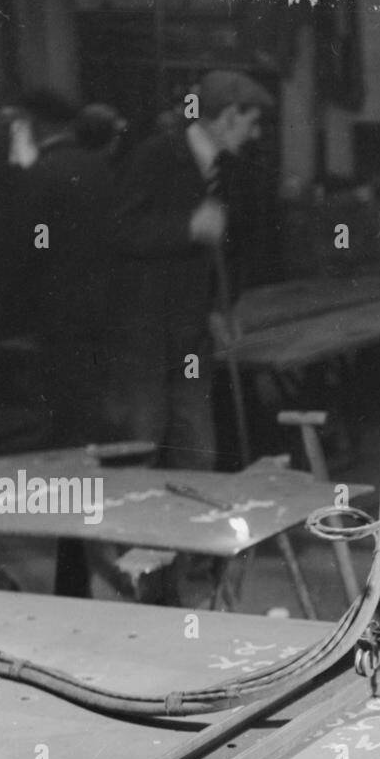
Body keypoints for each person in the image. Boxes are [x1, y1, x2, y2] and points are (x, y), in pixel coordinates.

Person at [107, 69, 273, 471]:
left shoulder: (230, 170)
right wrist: (187, 228)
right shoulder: (155, 157)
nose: (256, 135)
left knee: (199, 452)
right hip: (145, 338)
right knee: (140, 449)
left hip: (192, 335)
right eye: (251, 123)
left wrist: (221, 307)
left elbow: (234, 252)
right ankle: (131, 534)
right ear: (229, 114)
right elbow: (118, 232)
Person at [3, 89, 118, 448]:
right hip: (105, 310)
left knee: (65, 415)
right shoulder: (100, 169)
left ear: (34, 126)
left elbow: (31, 246)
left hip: (59, 315)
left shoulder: (41, 175)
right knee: (95, 408)